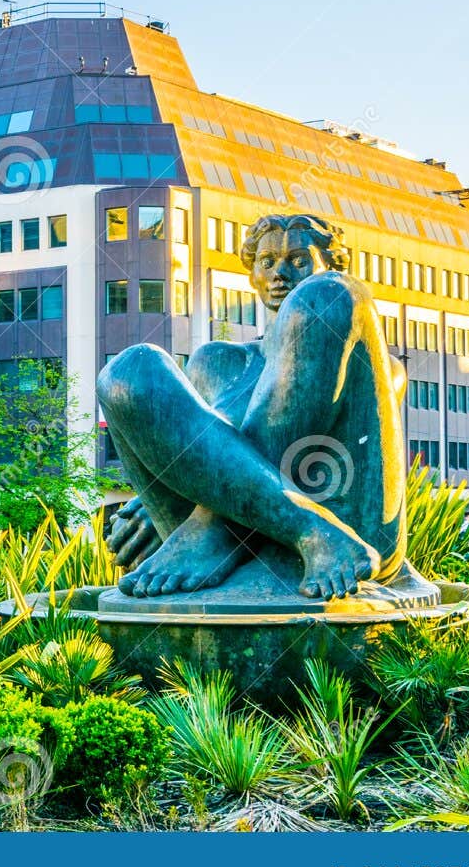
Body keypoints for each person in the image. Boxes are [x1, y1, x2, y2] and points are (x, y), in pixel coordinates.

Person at [97, 213, 407, 601]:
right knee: (130, 368)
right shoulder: (217, 361)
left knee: (332, 295)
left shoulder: (377, 366)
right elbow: (207, 449)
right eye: (268, 263)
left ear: (331, 263)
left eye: (298, 260)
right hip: (206, 535)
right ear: (253, 276)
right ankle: (289, 529)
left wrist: (207, 508)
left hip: (344, 521)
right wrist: (162, 489)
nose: (280, 273)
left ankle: (225, 528)